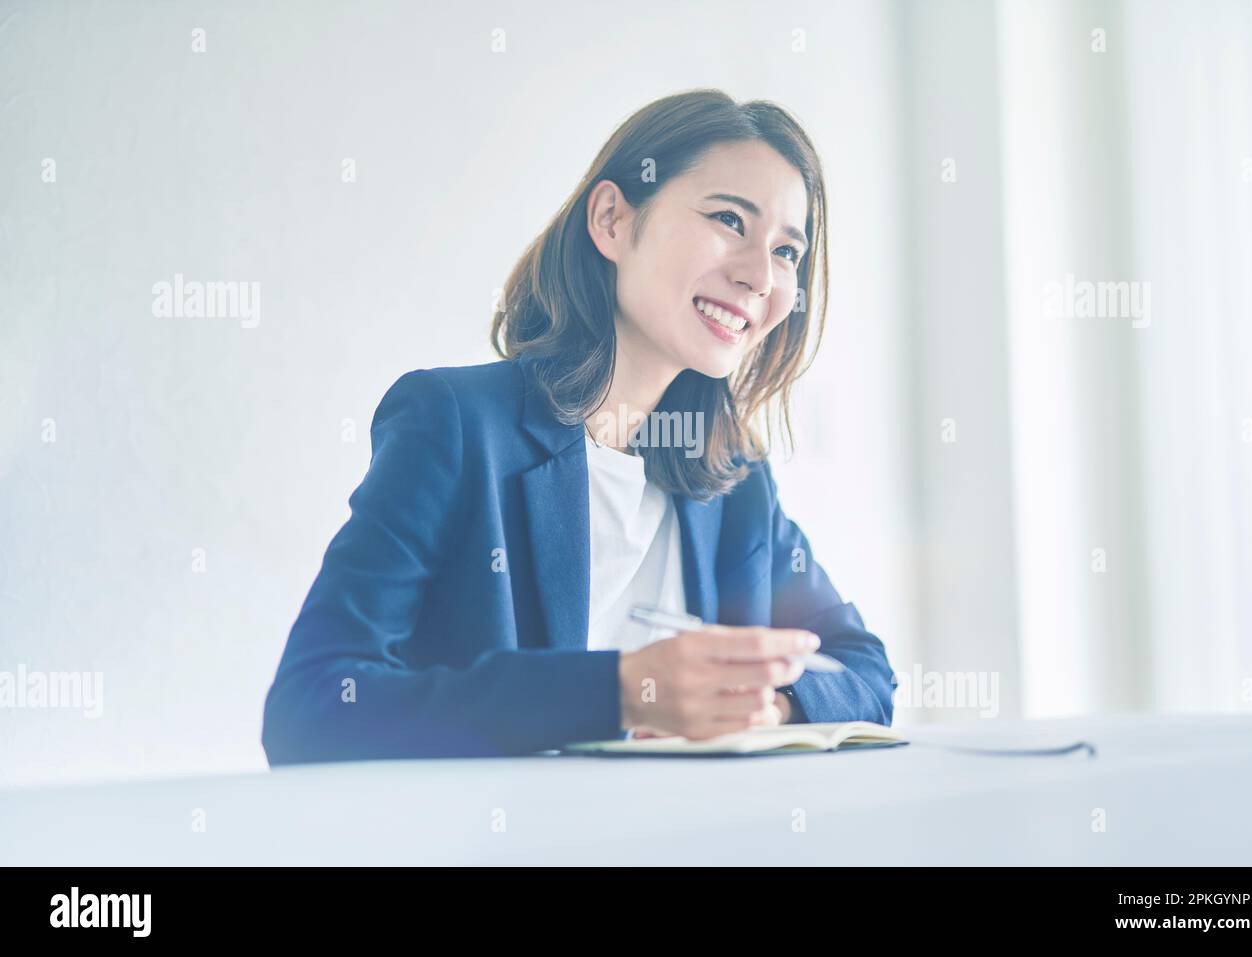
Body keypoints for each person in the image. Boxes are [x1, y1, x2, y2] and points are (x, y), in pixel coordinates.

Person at [261, 89, 896, 763]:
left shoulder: (734, 479)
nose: (759, 276)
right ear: (613, 219)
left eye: (788, 252)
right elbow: (313, 705)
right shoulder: (454, 425)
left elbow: (865, 669)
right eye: (730, 220)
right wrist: (620, 692)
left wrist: (772, 705)